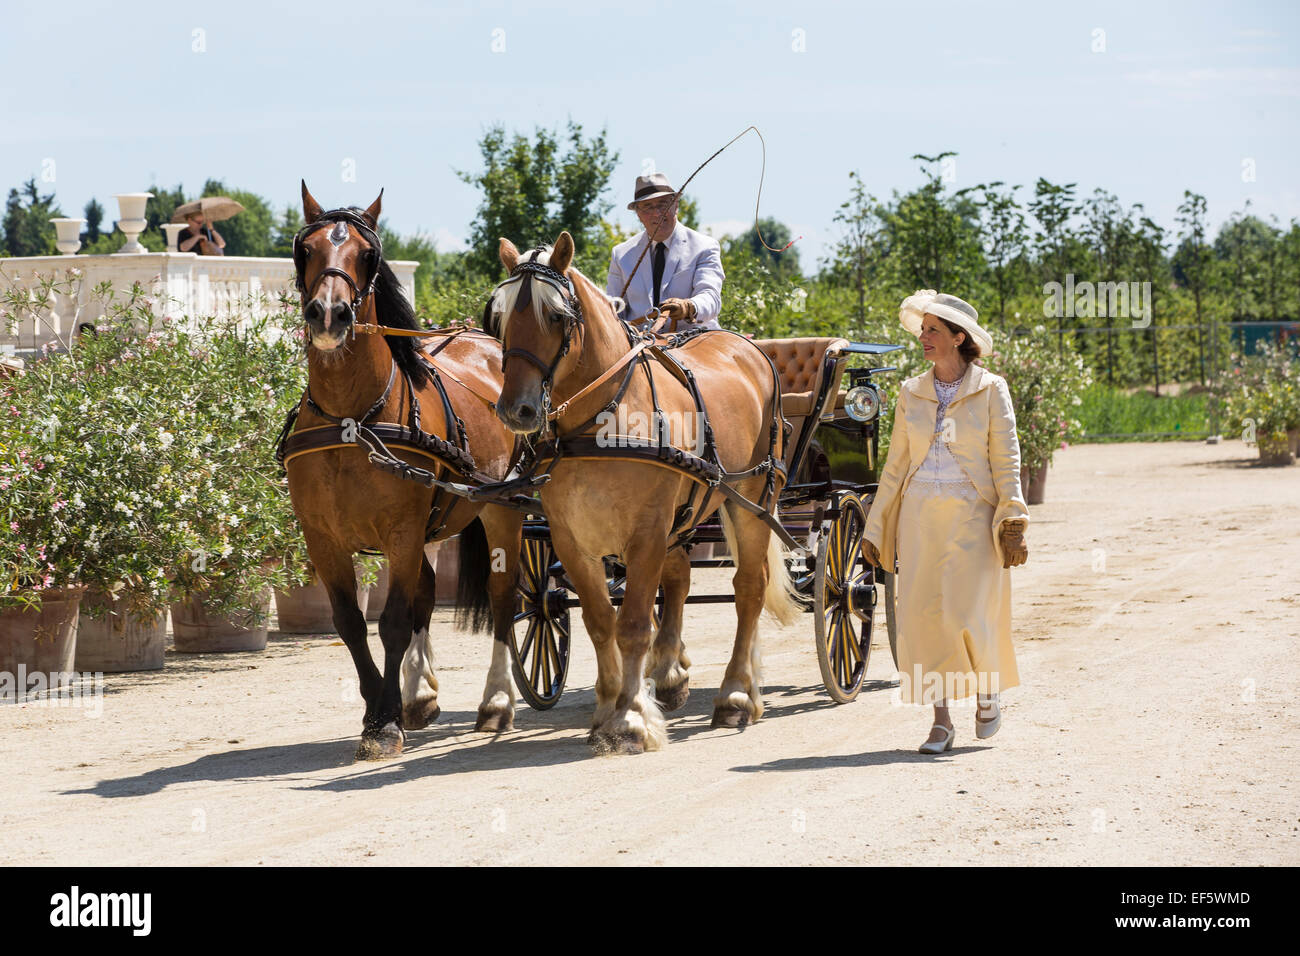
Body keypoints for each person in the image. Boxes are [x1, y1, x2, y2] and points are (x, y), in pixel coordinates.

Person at [863, 291, 1029, 754]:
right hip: (919, 518)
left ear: (960, 338)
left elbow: (1006, 459)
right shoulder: (910, 392)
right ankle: (940, 723)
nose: (924, 337)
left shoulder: (991, 389)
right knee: (923, 618)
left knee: (968, 611)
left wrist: (1013, 517)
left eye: (934, 329)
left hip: (974, 516)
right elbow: (894, 466)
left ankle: (988, 690)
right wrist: (876, 527)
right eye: (923, 329)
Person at [606, 172, 724, 332]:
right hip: (638, 347)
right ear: (638, 214)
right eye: (648, 207)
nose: (657, 213)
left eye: (663, 204)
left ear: (676, 205)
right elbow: (614, 309)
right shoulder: (621, 254)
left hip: (694, 343)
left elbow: (711, 297)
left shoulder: (705, 247)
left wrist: (688, 307)